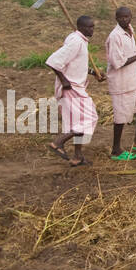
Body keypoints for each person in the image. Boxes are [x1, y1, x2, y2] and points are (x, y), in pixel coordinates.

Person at [46, 15, 102, 168]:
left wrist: (93, 72)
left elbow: (75, 63)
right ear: (81, 27)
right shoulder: (77, 41)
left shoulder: (78, 40)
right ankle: (58, 142)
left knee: (78, 122)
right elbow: (53, 61)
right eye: (89, 27)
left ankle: (77, 157)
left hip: (76, 86)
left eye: (93, 26)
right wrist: (64, 81)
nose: (92, 29)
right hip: (72, 88)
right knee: (91, 117)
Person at [105, 7, 136, 161]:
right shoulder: (115, 36)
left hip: (133, 80)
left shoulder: (129, 30)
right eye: (121, 17)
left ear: (131, 17)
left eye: (127, 16)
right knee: (121, 116)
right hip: (121, 82)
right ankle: (116, 150)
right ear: (116, 18)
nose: (124, 19)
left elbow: (128, 56)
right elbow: (117, 62)